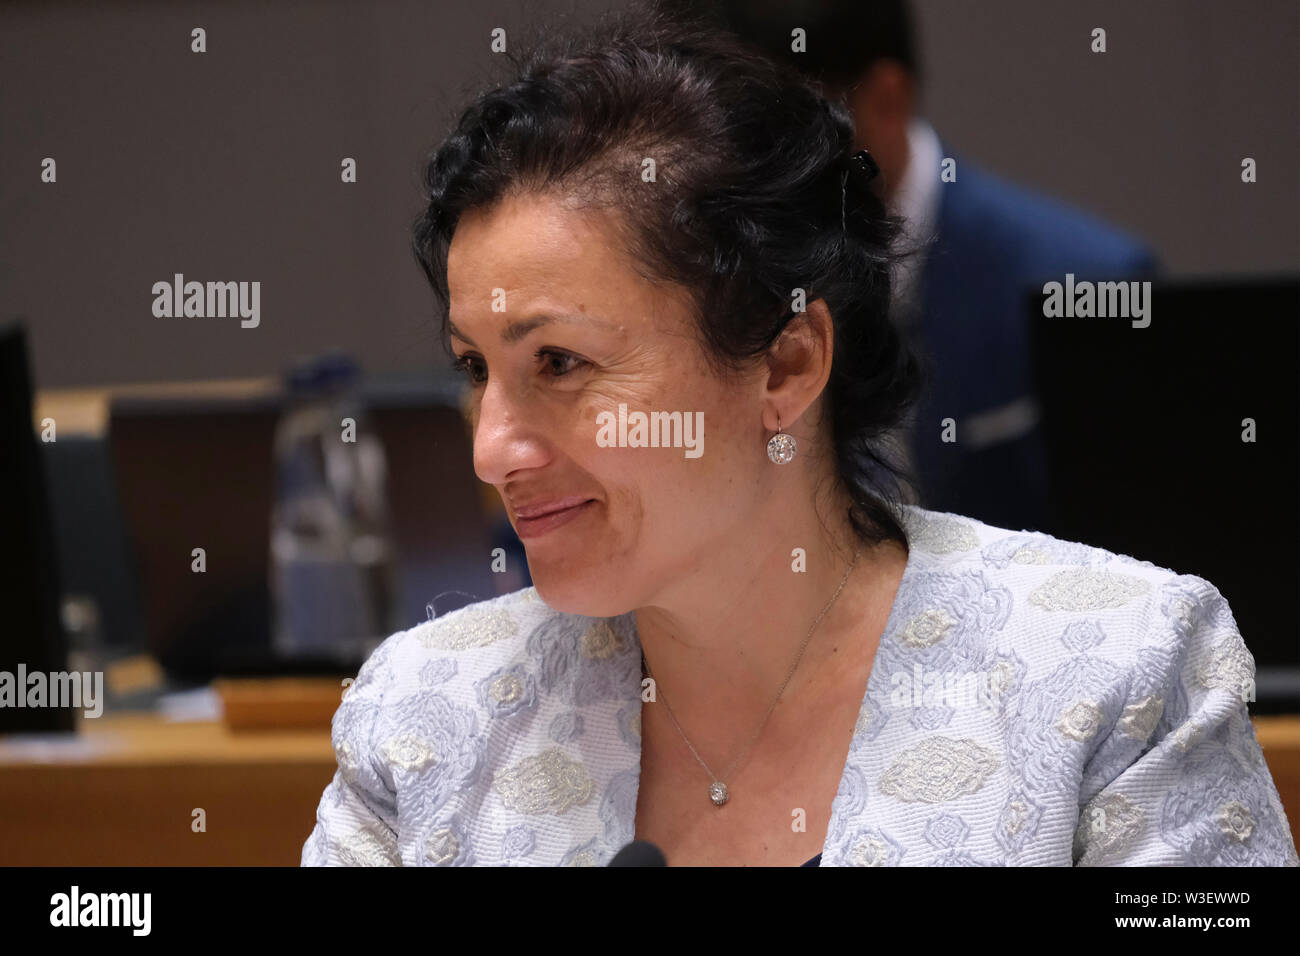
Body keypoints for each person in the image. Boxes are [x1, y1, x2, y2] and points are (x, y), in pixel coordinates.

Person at [302, 8, 1295, 867]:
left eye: (558, 362)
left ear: (785, 366)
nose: (493, 449)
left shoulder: (1118, 673)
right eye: (477, 368)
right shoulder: (423, 716)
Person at [658, 0, 1162, 534]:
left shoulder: (1086, 284)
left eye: (764, 138)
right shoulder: (688, 292)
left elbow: (1131, 554)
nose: (737, 175)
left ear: (887, 99)